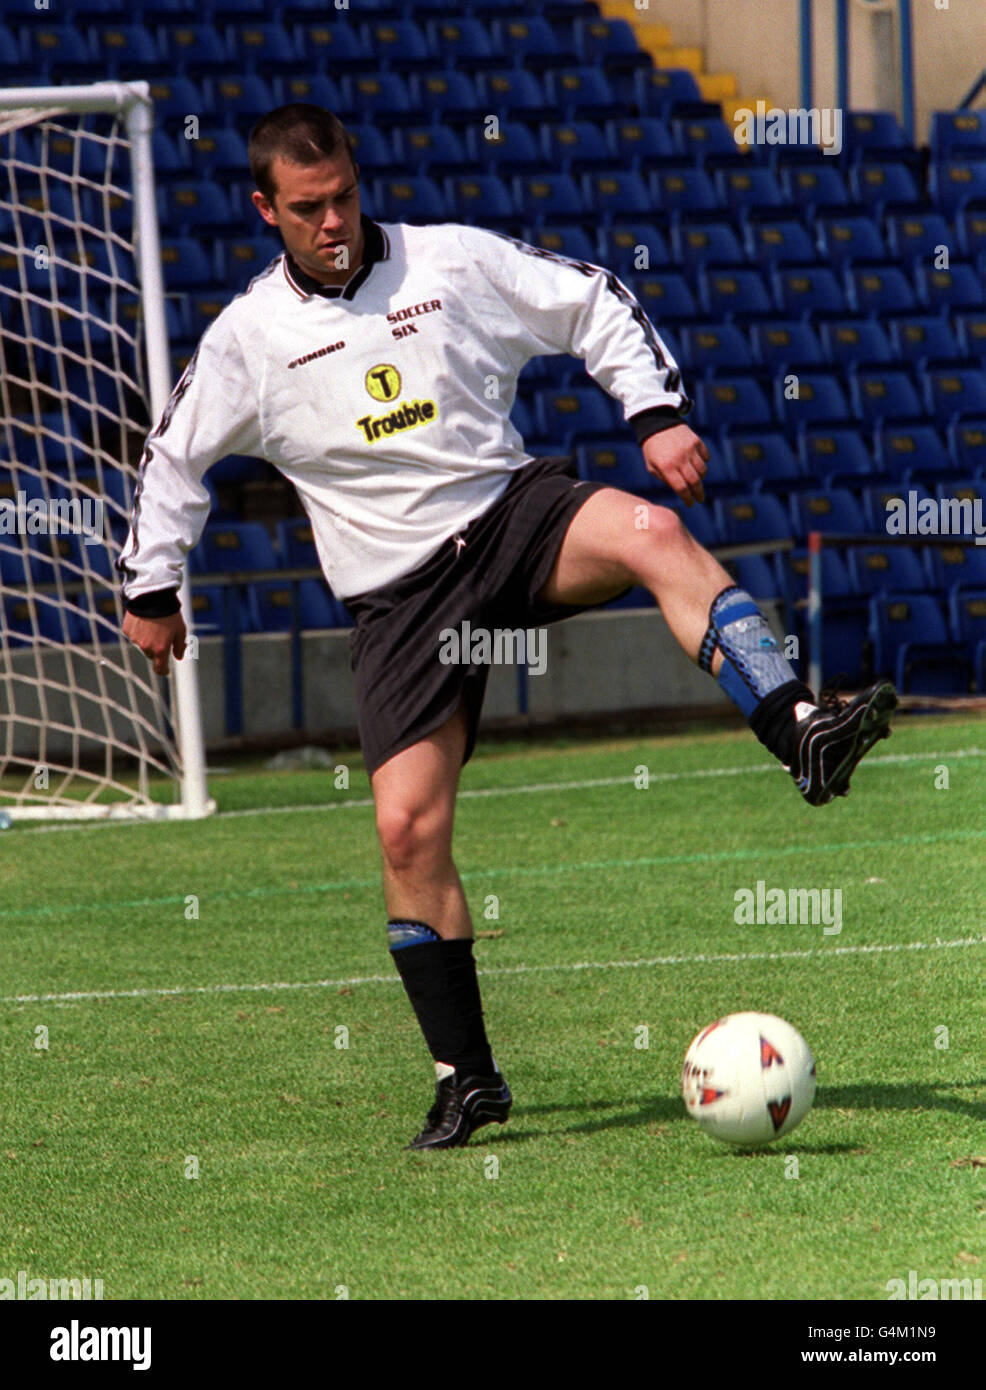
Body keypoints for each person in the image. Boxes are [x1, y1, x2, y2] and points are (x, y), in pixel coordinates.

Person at [119, 105, 897, 1150]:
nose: (334, 220)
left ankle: (796, 724)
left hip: (507, 520)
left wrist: (651, 411)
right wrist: (152, 589)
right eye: (308, 209)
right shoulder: (248, 341)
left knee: (648, 528)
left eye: (345, 194)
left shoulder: (451, 262)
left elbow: (588, 300)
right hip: (399, 603)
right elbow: (175, 460)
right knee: (404, 830)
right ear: (266, 210)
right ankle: (467, 1077)